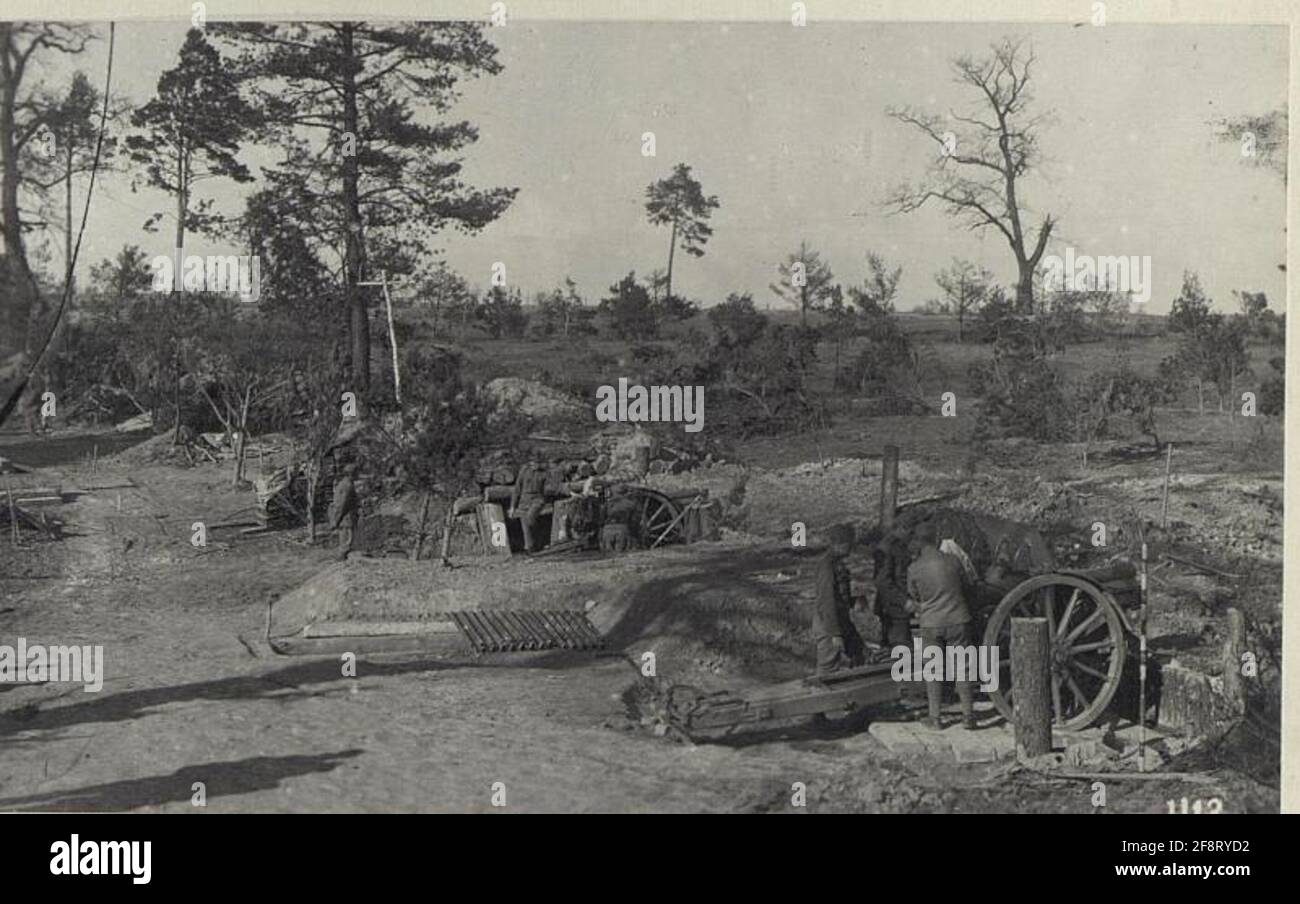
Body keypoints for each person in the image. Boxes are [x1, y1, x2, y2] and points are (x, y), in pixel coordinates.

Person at [906, 520, 976, 731]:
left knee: (933, 670)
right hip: (958, 620)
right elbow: (968, 586)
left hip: (931, 623)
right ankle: (968, 716)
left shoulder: (914, 568)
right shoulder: (953, 561)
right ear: (936, 539)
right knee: (963, 668)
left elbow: (915, 596)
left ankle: (935, 719)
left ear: (918, 543)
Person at [812, 524, 866, 674]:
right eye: (850, 543)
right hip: (828, 623)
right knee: (828, 667)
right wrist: (834, 633)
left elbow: (839, 596)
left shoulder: (837, 564)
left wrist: (854, 601)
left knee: (859, 655)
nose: (852, 548)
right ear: (841, 544)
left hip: (841, 620)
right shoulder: (826, 567)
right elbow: (826, 601)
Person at [510, 449, 548, 553]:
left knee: (530, 518)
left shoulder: (544, 473)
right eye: (534, 462)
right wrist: (513, 506)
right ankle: (530, 547)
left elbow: (549, 488)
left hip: (537, 500)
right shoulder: (524, 471)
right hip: (524, 501)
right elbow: (517, 489)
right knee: (524, 522)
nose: (536, 465)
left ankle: (539, 542)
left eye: (538, 462)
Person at [329, 462, 360, 562]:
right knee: (346, 544)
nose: (358, 475)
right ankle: (341, 562)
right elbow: (342, 504)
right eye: (356, 473)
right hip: (346, 519)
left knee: (345, 543)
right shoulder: (347, 486)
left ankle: (342, 561)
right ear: (351, 474)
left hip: (345, 519)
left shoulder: (345, 484)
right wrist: (336, 520)